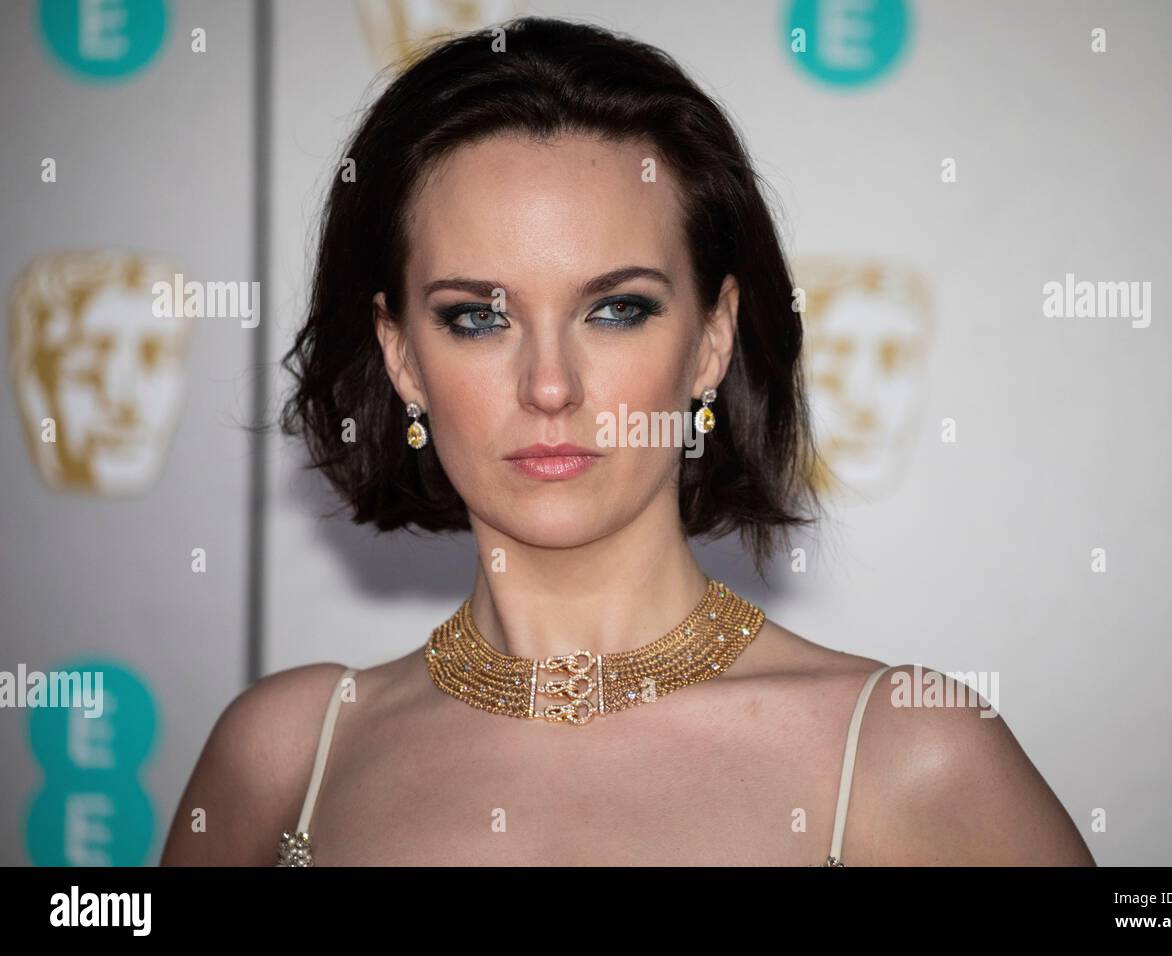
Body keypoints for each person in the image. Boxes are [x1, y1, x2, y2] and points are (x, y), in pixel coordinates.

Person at [160, 16, 1094, 867]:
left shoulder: (907, 753)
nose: (551, 386)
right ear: (402, 357)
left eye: (616, 309)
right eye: (477, 319)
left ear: (712, 341)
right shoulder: (286, 755)